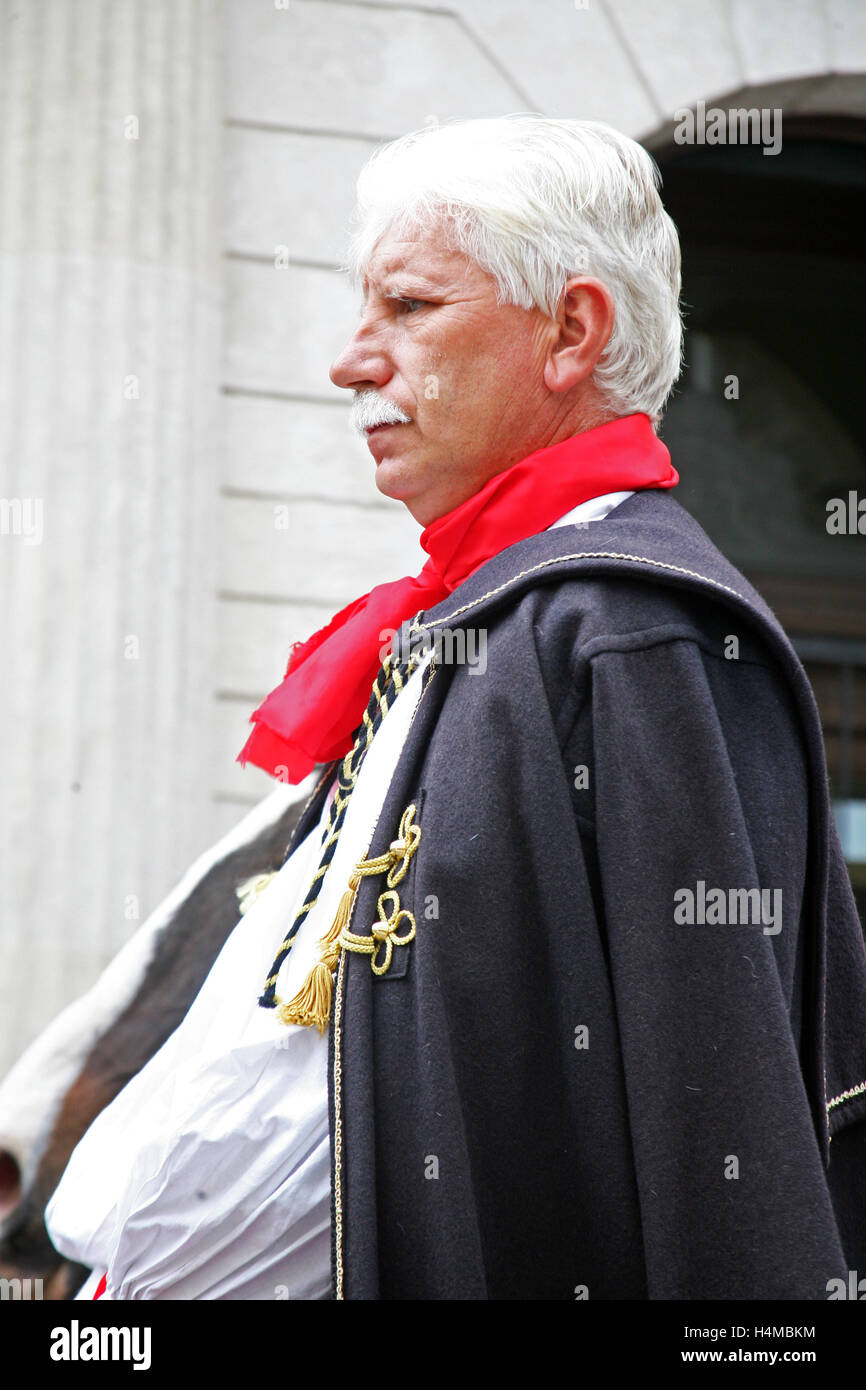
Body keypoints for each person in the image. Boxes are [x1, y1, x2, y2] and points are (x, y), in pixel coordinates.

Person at [46, 114, 866, 1300]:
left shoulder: (632, 632)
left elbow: (720, 1128)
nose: (351, 362)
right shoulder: (485, 615)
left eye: (409, 307)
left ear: (569, 332)